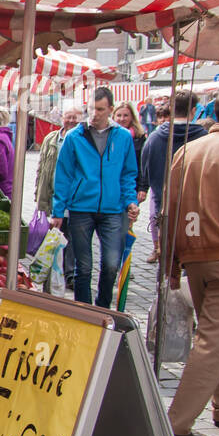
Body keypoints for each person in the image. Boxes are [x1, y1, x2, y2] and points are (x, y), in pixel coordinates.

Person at [165, 85, 219, 436]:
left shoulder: (187, 151)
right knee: (214, 341)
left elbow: (169, 211)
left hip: (195, 258)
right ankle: (177, 423)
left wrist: (171, 262)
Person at [50, 86, 139, 309]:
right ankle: (84, 310)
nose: (95, 113)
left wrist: (131, 200)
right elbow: (63, 175)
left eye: (100, 109)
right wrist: (58, 210)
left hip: (113, 208)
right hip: (81, 208)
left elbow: (128, 174)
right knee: (84, 267)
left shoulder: (123, 137)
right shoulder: (74, 137)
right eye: (91, 108)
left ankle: (102, 306)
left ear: (110, 109)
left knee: (110, 264)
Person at [141, 90, 208, 266]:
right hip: (193, 210)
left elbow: (145, 171)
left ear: (171, 109)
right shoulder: (204, 137)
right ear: (193, 110)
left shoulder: (154, 137)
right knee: (192, 257)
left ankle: (163, 290)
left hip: (162, 207)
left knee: (165, 258)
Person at [35, 103, 82, 294]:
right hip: (51, 196)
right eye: (68, 116)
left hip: (72, 197)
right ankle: (52, 274)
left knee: (70, 237)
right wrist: (39, 191)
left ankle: (69, 274)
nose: (71, 121)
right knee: (52, 237)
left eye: (75, 117)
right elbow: (42, 166)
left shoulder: (81, 140)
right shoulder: (51, 138)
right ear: (61, 117)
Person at [113, 100, 149, 207]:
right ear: (113, 116)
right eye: (119, 115)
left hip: (132, 185)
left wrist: (143, 187)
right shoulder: (109, 136)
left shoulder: (140, 137)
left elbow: (143, 163)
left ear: (131, 117)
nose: (122, 119)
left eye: (125, 115)